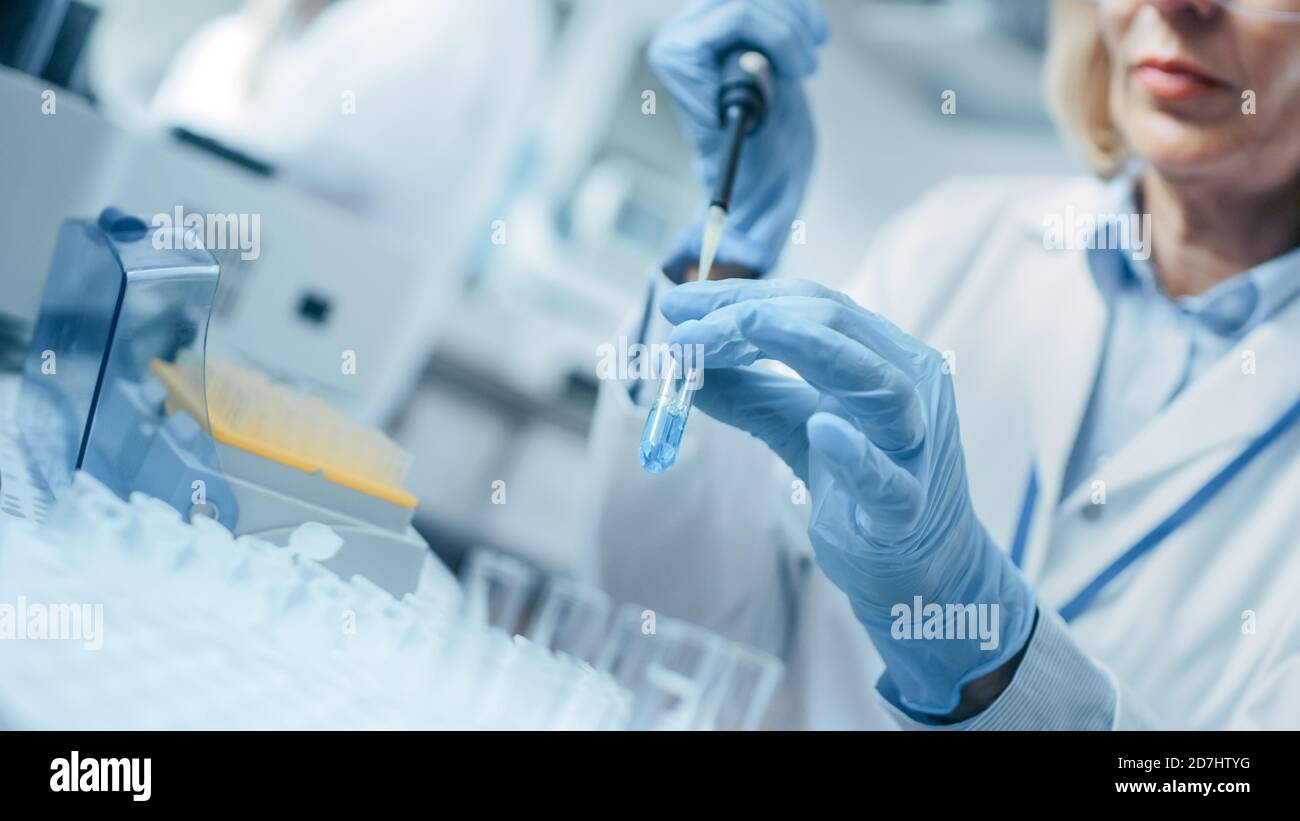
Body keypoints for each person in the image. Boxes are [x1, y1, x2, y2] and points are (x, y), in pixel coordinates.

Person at [581, 0, 1300, 729]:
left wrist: (993, 667)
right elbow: (679, 640)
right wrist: (725, 260)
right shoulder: (953, 244)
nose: (1181, 5)